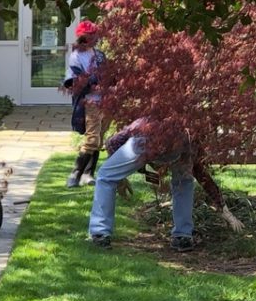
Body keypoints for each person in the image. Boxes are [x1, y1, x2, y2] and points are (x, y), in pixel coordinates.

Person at [89, 116, 242, 250]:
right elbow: (112, 143)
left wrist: (224, 209)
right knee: (183, 182)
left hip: (163, 144)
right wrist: (121, 177)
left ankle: (100, 234)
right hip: (147, 141)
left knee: (105, 176)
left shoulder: (187, 141)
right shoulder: (143, 127)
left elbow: (203, 177)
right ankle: (183, 236)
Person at [63, 19, 109, 187]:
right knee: (92, 139)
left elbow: (108, 74)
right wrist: (94, 81)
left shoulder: (99, 54)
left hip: (105, 100)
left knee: (99, 138)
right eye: (90, 36)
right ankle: (74, 175)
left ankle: (88, 174)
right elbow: (78, 80)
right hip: (90, 101)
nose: (94, 39)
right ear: (83, 37)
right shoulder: (76, 56)